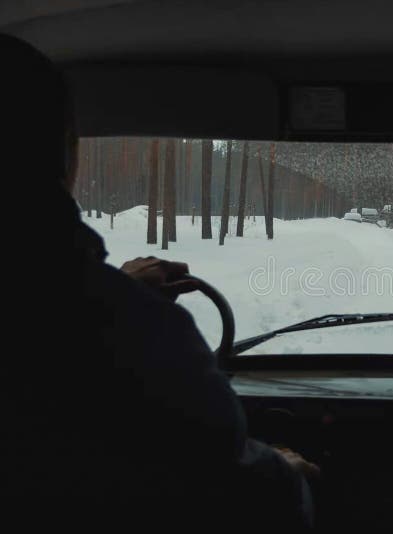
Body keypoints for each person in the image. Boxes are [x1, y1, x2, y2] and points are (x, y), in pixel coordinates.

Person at [0, 34, 318, 523]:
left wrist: (109, 293)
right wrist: (284, 470)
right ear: (68, 156)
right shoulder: (133, 337)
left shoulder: (97, 318)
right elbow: (256, 501)